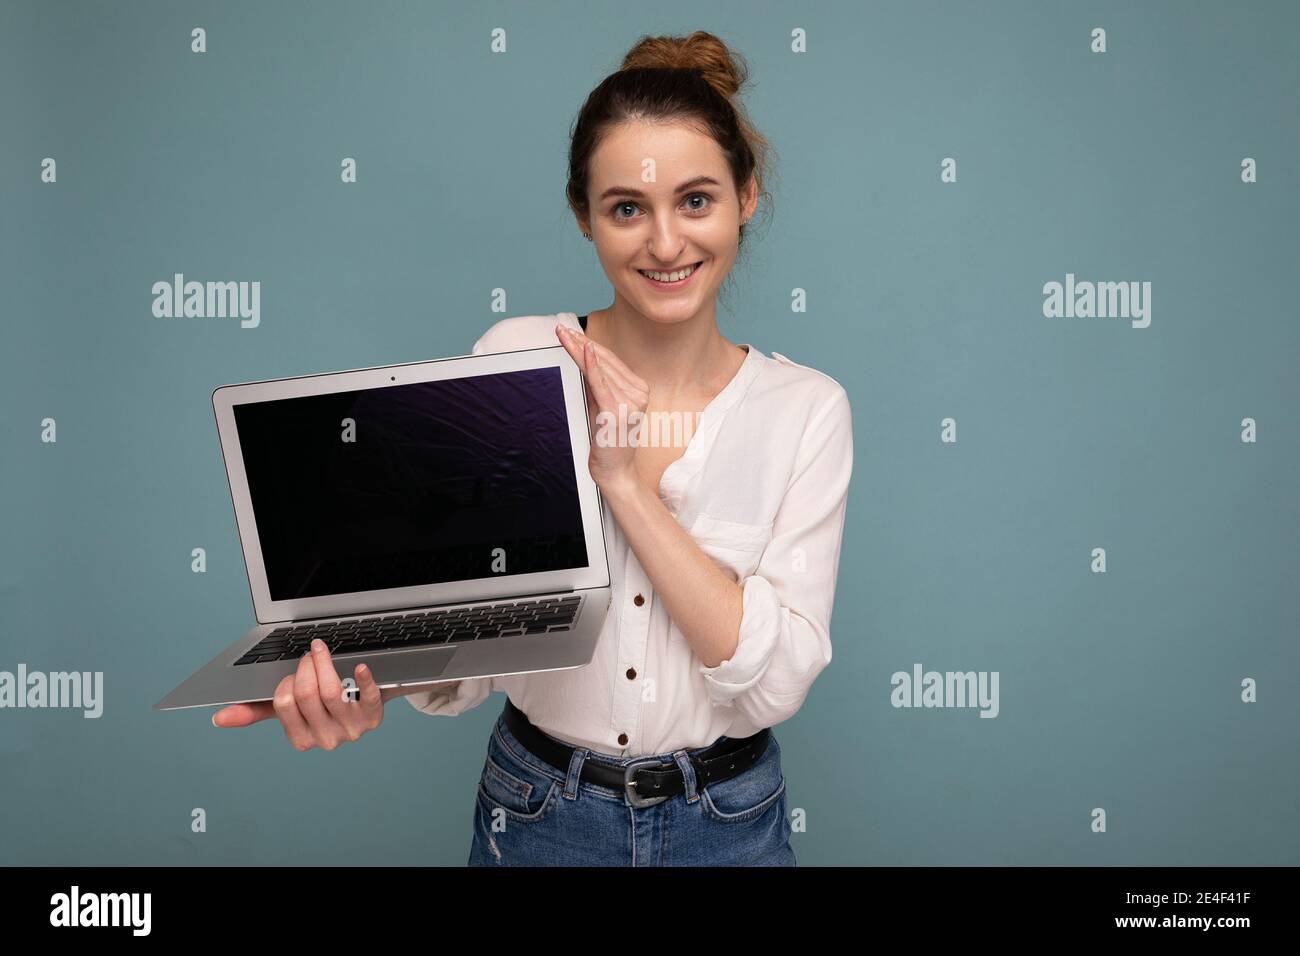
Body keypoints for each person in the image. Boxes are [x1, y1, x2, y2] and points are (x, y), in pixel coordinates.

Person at [212, 30, 853, 867]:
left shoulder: (805, 410)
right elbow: (467, 635)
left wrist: (622, 485)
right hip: (540, 815)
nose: (665, 244)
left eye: (696, 200)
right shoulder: (518, 358)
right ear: (585, 216)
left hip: (729, 824)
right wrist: (367, 685)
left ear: (746, 198)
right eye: (628, 207)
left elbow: (775, 678)